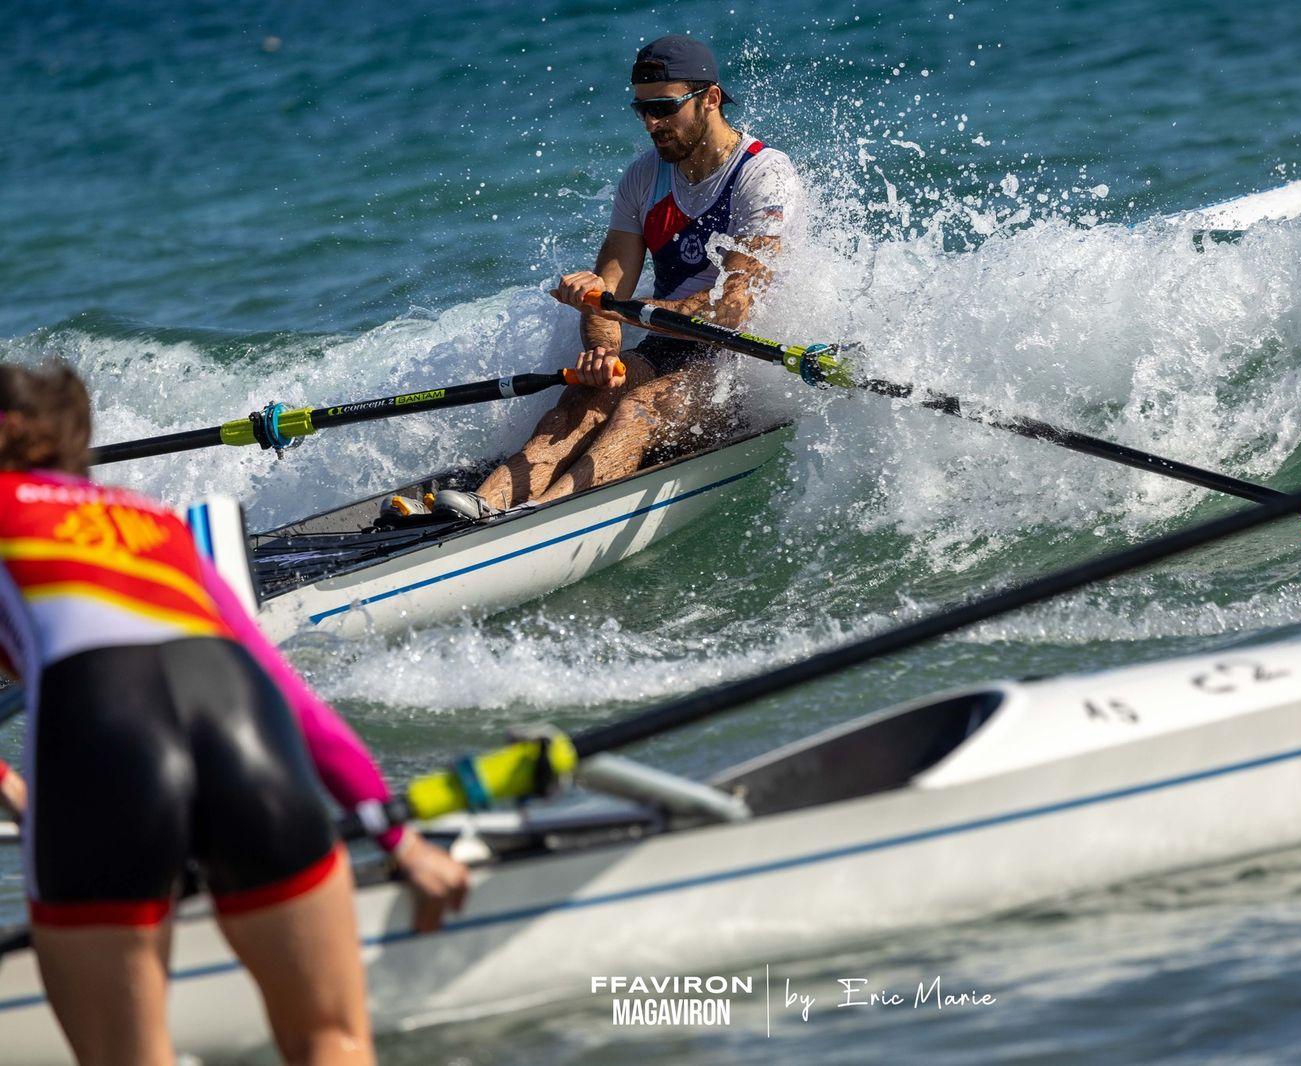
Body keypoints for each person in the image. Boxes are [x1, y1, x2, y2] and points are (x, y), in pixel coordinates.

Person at [0, 363, 468, 1064]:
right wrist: (397, 838)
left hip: (103, 737)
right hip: (243, 723)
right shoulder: (150, 520)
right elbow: (287, 690)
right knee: (331, 1041)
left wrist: (12, 791)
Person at [420, 34, 801, 520]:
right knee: (583, 398)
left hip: (742, 361)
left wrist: (633, 314)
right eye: (641, 110)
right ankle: (483, 504)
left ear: (710, 99)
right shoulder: (644, 178)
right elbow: (610, 291)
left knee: (635, 410)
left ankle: (544, 517)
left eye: (664, 108)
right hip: (668, 345)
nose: (651, 124)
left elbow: (734, 305)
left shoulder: (764, 175)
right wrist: (604, 348)